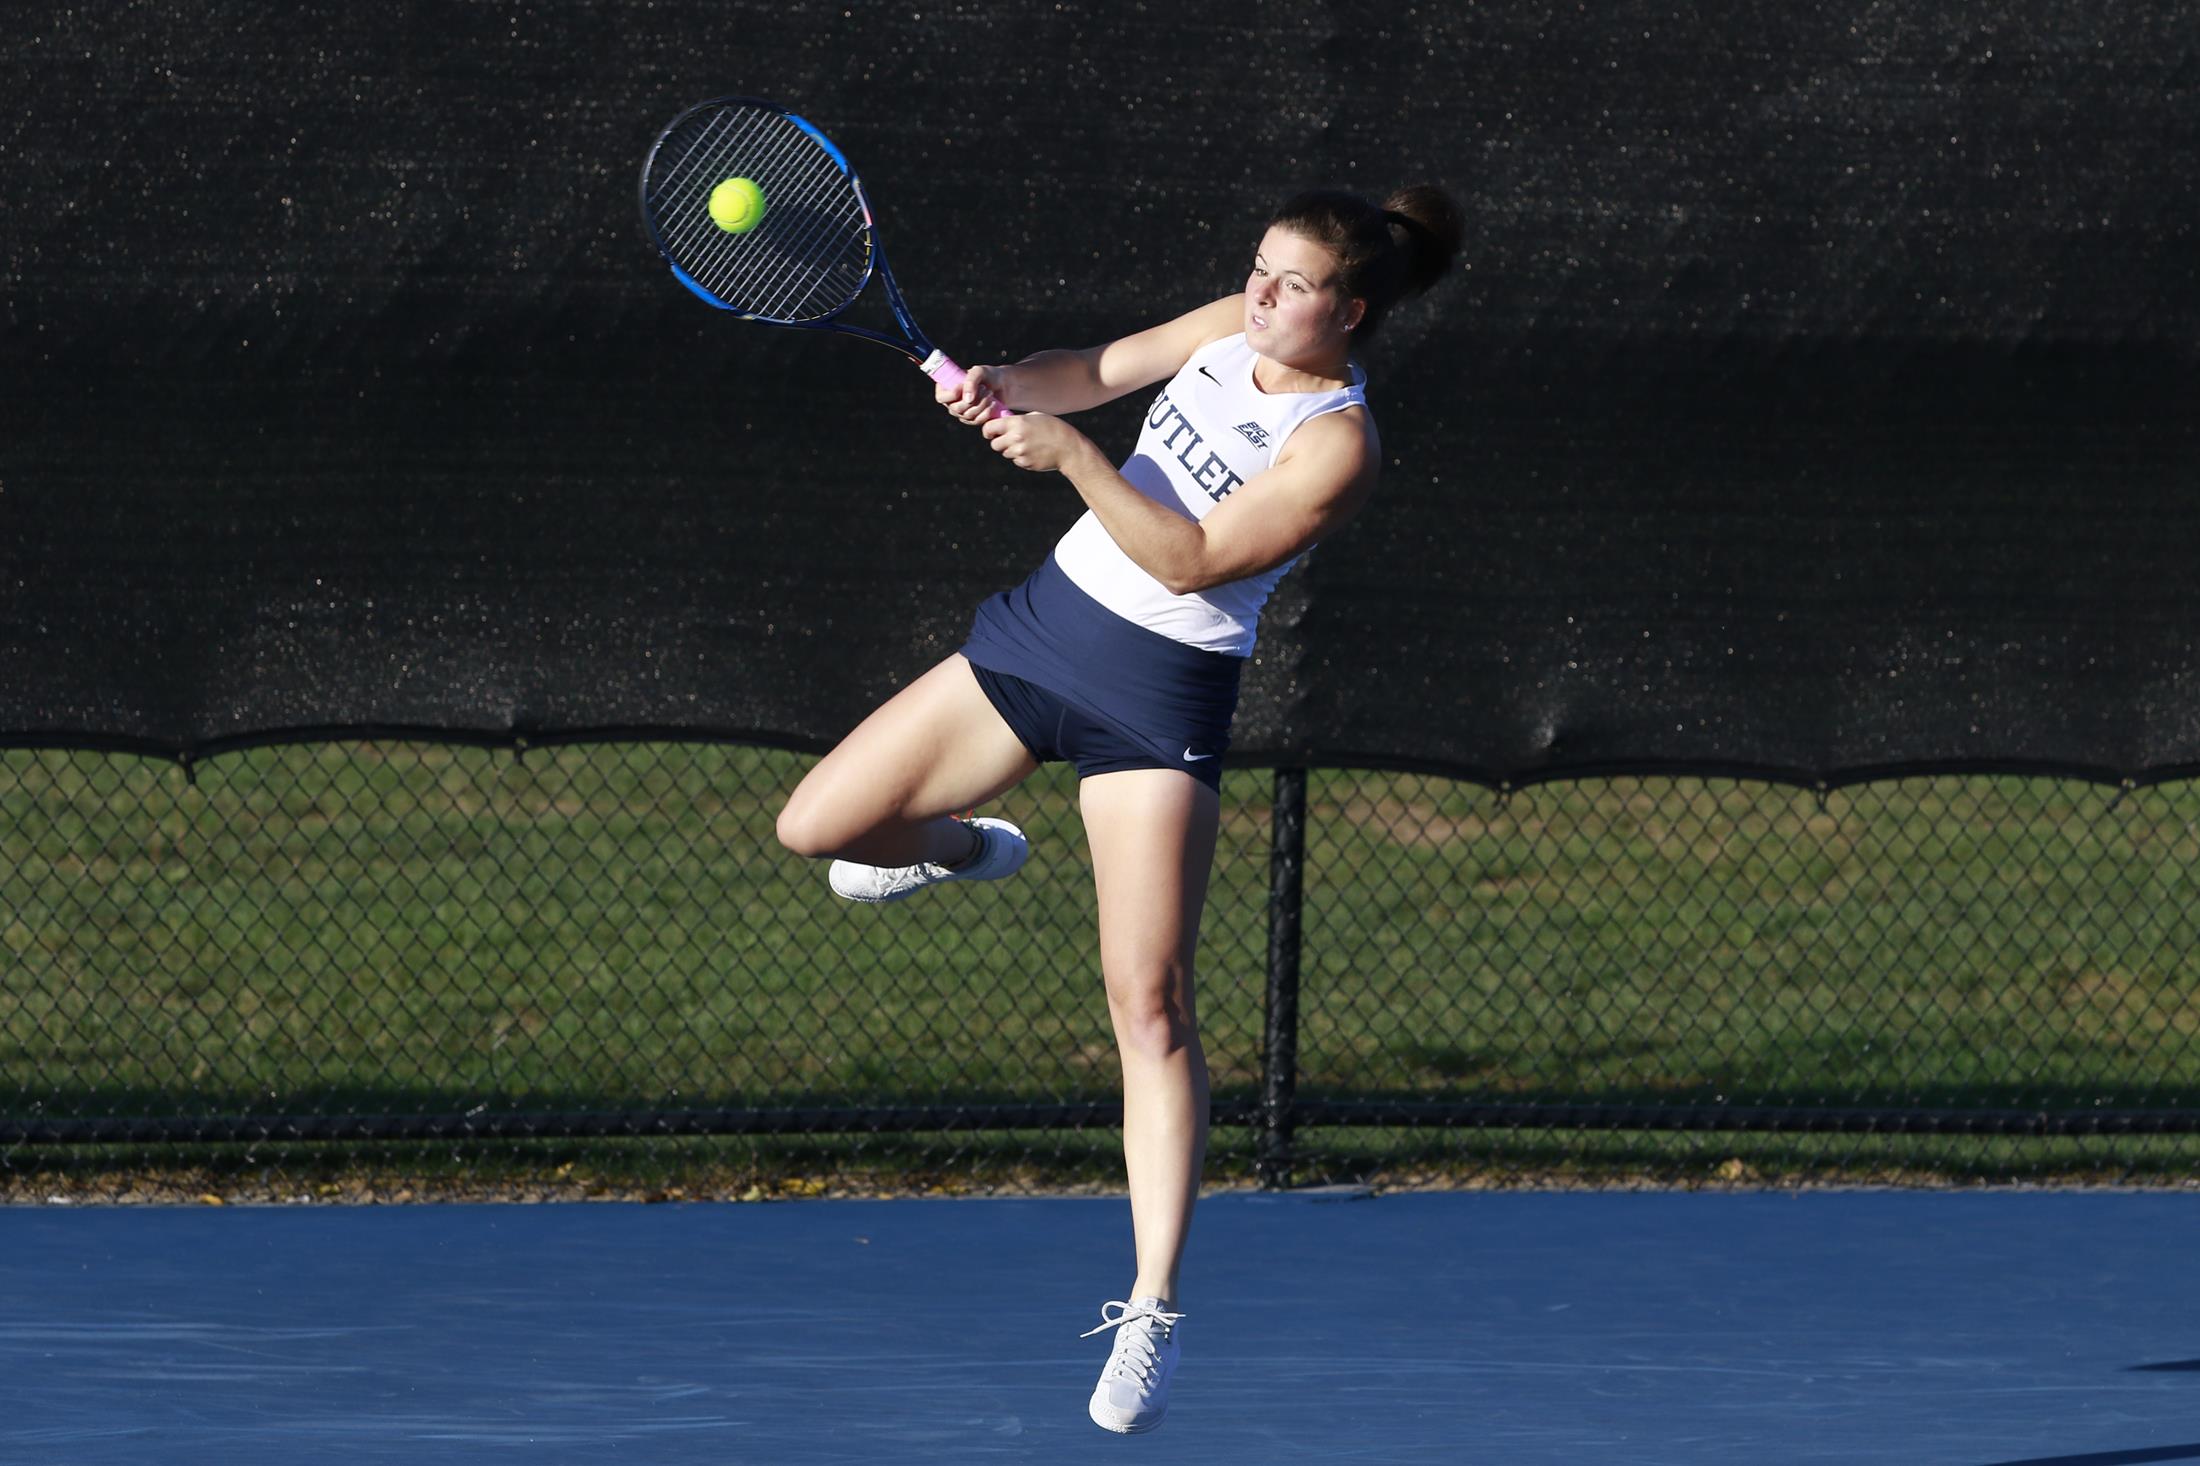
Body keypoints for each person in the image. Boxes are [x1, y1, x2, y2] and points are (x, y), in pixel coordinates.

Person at [774, 183, 1463, 1434]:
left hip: (1156, 697)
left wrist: (1075, 454)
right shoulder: (1225, 331)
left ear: (1350, 311)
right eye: (1254, 268)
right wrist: (1010, 382)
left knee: (1148, 1003)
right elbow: (1088, 368)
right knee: (814, 827)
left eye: (1289, 284)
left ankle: (1149, 1307)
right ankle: (961, 848)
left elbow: (1192, 560)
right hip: (1041, 633)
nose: (1257, 294)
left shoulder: (1338, 444)